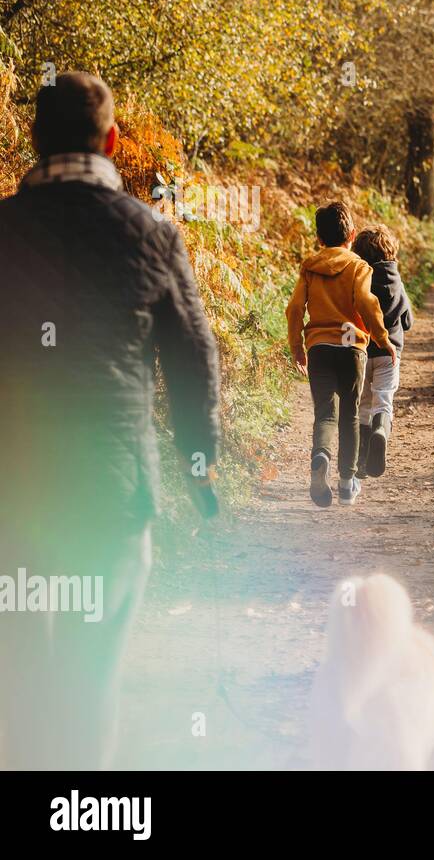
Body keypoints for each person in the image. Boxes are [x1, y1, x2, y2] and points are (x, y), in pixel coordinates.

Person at [0, 72, 221, 769]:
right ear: (114, 140)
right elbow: (193, 357)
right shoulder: (152, 234)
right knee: (91, 681)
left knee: (17, 679)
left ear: (32, 137)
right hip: (113, 490)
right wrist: (198, 462)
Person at [284, 202, 396, 507]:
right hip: (351, 348)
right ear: (352, 234)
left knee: (325, 413)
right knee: (349, 413)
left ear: (319, 238)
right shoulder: (359, 266)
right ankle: (347, 485)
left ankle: (320, 457)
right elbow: (365, 302)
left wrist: (297, 346)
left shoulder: (309, 266)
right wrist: (383, 339)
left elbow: (294, 308)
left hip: (319, 347)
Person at [352, 224, 413, 478]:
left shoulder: (359, 279)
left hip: (363, 350)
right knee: (383, 399)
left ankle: (362, 459)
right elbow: (408, 320)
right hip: (390, 353)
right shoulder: (396, 280)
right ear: (390, 252)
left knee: (363, 403)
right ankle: (381, 431)